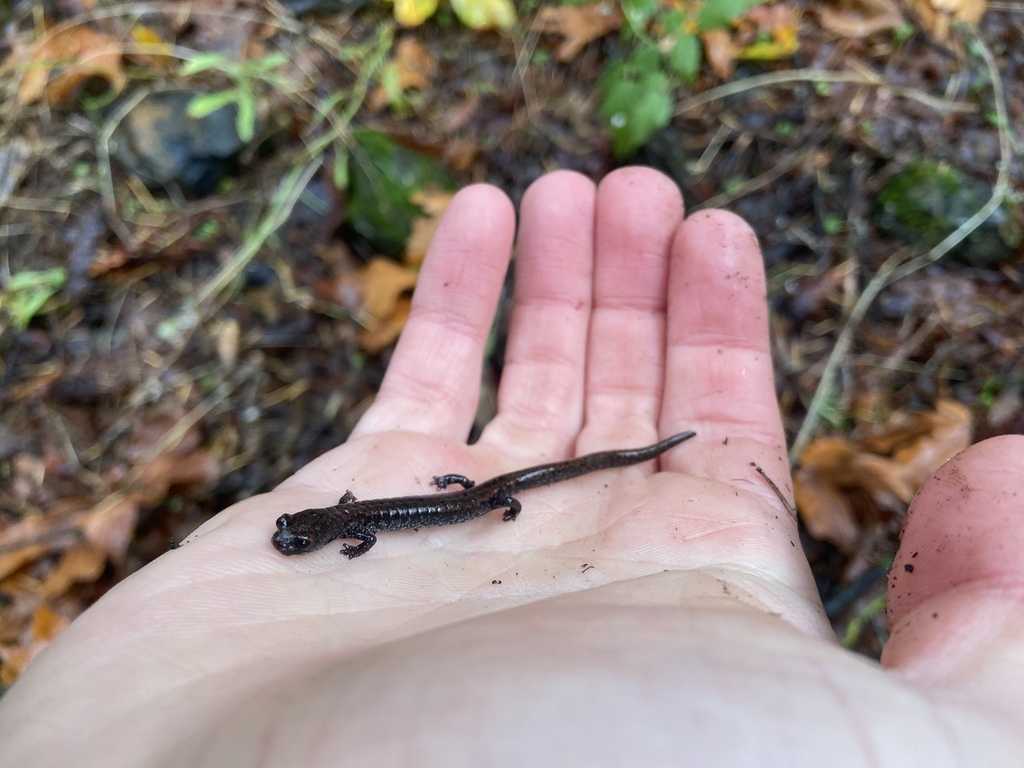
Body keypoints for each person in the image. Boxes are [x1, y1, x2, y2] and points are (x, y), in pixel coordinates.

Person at [0, 168, 1021, 766]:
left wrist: (461, 511)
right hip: (460, 497)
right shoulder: (348, 515)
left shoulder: (352, 524)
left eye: (302, 535)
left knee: (498, 496)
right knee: (485, 495)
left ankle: (623, 459)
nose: (305, 535)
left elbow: (359, 524)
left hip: (473, 498)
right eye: (298, 535)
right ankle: (600, 465)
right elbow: (356, 516)